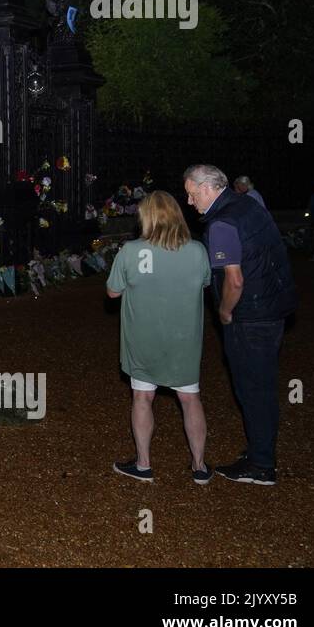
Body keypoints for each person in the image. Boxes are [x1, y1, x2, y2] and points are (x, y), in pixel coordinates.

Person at [184, 164, 296, 485]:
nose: (190, 203)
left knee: (252, 388)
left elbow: (234, 280)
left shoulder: (222, 223)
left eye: (192, 195)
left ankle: (261, 465)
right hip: (272, 308)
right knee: (262, 384)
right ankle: (260, 450)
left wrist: (224, 311)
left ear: (207, 189)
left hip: (250, 317)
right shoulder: (247, 204)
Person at [105, 191, 213, 484]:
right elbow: (205, 283)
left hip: (143, 338)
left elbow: (113, 291)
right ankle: (200, 466)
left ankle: (143, 464)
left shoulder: (130, 250)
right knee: (190, 399)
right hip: (183, 339)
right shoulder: (197, 250)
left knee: (142, 397)